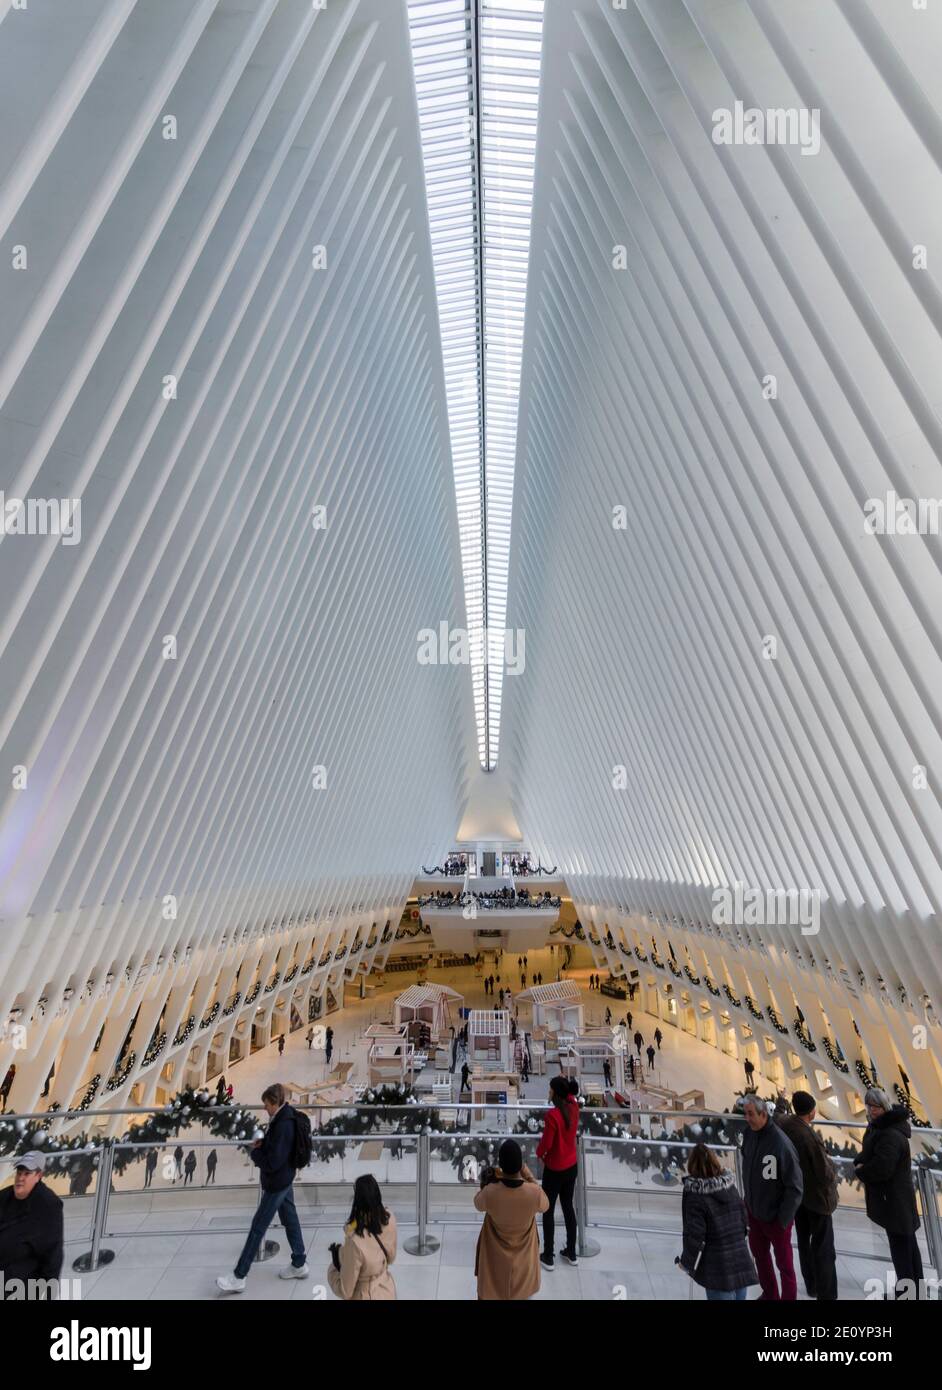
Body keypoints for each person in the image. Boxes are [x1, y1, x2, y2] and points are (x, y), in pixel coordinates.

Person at [216, 1083, 309, 1292]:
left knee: (258, 1227)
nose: (264, 1108)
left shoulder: (283, 1124)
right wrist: (263, 1144)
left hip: (277, 1182)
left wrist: (254, 1153)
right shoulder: (284, 1117)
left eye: (266, 1105)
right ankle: (299, 1262)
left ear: (275, 1103)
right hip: (285, 1177)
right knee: (290, 1219)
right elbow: (278, 1149)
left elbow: (273, 1161)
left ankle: (239, 1276)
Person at [854, 1087, 924, 1298]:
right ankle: (914, 1293)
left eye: (875, 1107)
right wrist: (861, 1160)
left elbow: (883, 1168)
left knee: (902, 1252)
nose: (871, 1110)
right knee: (908, 1247)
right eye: (869, 1106)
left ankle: (907, 1295)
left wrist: (861, 1171)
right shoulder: (881, 1127)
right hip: (897, 1199)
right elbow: (870, 1152)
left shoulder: (890, 1134)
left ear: (883, 1106)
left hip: (895, 1201)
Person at [676, 1142, 757, 1300]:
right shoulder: (730, 1187)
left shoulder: (695, 1195)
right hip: (741, 1264)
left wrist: (686, 1263)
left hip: (718, 1270)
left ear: (692, 1165)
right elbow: (744, 1222)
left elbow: (695, 1235)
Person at [740, 1094, 803, 1300]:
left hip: (776, 1218)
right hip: (755, 1213)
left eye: (750, 1114)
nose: (747, 1118)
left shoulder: (781, 1144)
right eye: (745, 1114)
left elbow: (795, 1187)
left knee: (784, 1264)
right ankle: (770, 1294)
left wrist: (783, 1219)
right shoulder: (749, 1135)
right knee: (760, 1257)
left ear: (763, 1114)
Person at [778, 1091, 838, 1300]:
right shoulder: (809, 1137)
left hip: (797, 1196)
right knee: (824, 1249)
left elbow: (778, 1116)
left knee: (804, 1241)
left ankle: (811, 1285)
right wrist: (833, 1170)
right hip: (817, 1200)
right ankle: (826, 1293)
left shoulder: (786, 1125)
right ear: (812, 1112)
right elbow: (824, 1174)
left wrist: (780, 1101)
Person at [473, 1138, 549, 1300]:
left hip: (495, 1263)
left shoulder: (491, 1192)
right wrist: (527, 1174)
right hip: (524, 1266)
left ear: (501, 1164)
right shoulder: (533, 1193)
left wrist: (488, 1183)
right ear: (520, 1164)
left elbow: (478, 1203)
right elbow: (546, 1204)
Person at [0, 1152, 64, 1297]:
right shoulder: (5, 1197)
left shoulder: (48, 1205)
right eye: (19, 1172)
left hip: (22, 1285)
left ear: (38, 1176)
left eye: (27, 1174)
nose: (20, 1178)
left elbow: (53, 1254)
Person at [327, 1175, 397, 1301]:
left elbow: (345, 1290)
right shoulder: (389, 1218)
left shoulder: (355, 1241)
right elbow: (390, 1258)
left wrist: (332, 1271)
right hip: (386, 1290)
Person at [537, 1075, 580, 1269]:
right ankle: (571, 1251)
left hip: (554, 1169)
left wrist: (539, 1154)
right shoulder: (574, 1108)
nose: (548, 1092)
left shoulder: (553, 1116)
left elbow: (547, 1143)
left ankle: (548, 1255)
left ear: (555, 1093)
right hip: (571, 1167)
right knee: (568, 1207)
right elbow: (571, 1097)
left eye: (550, 1089)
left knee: (548, 1210)